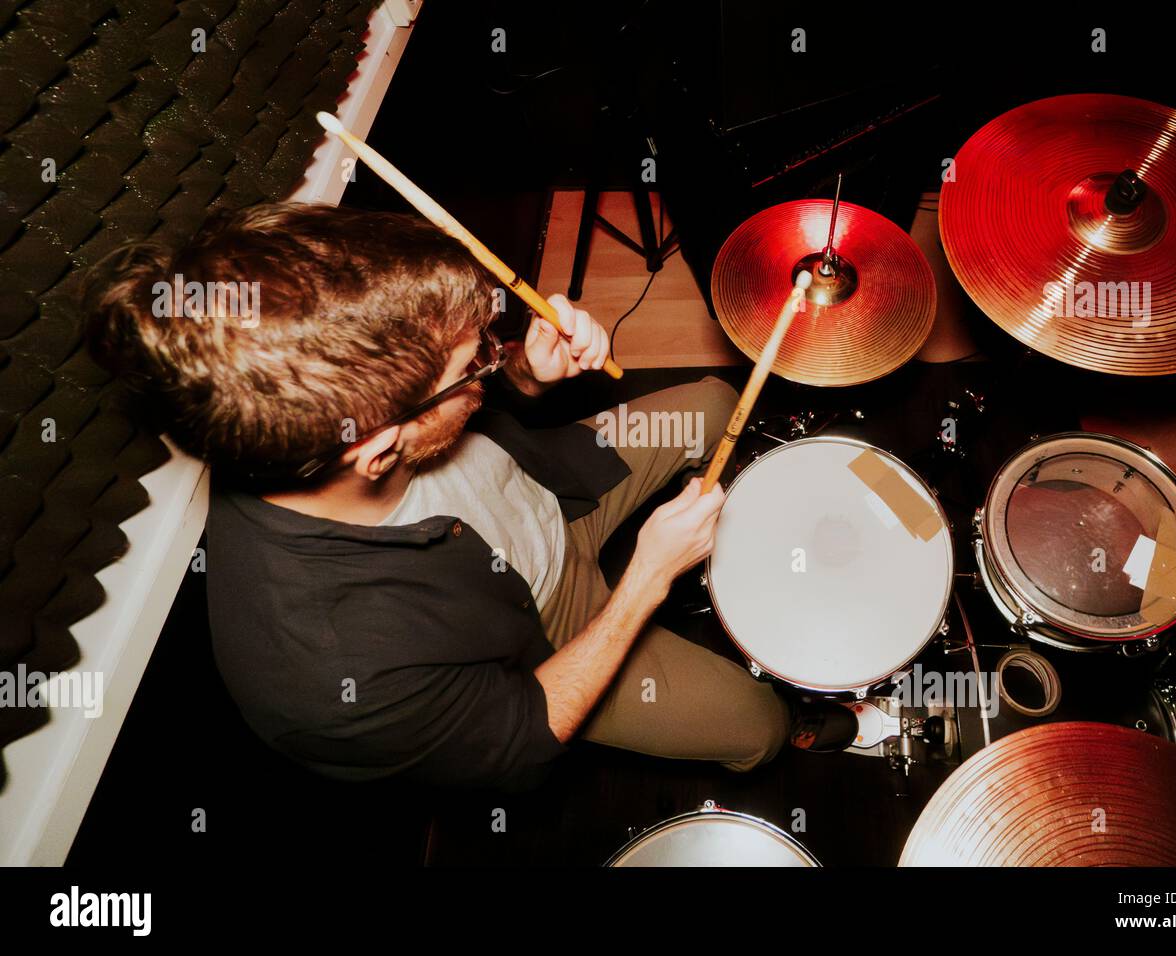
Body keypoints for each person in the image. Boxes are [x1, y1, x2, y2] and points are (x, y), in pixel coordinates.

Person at [83, 202, 856, 792]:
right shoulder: (323, 679)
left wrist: (524, 374)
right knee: (750, 725)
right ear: (377, 446)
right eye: (475, 362)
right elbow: (524, 733)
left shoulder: (345, 426)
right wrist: (648, 580)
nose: (494, 355)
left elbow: (473, 402)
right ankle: (791, 731)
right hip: (542, 633)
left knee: (718, 401)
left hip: (556, 487)